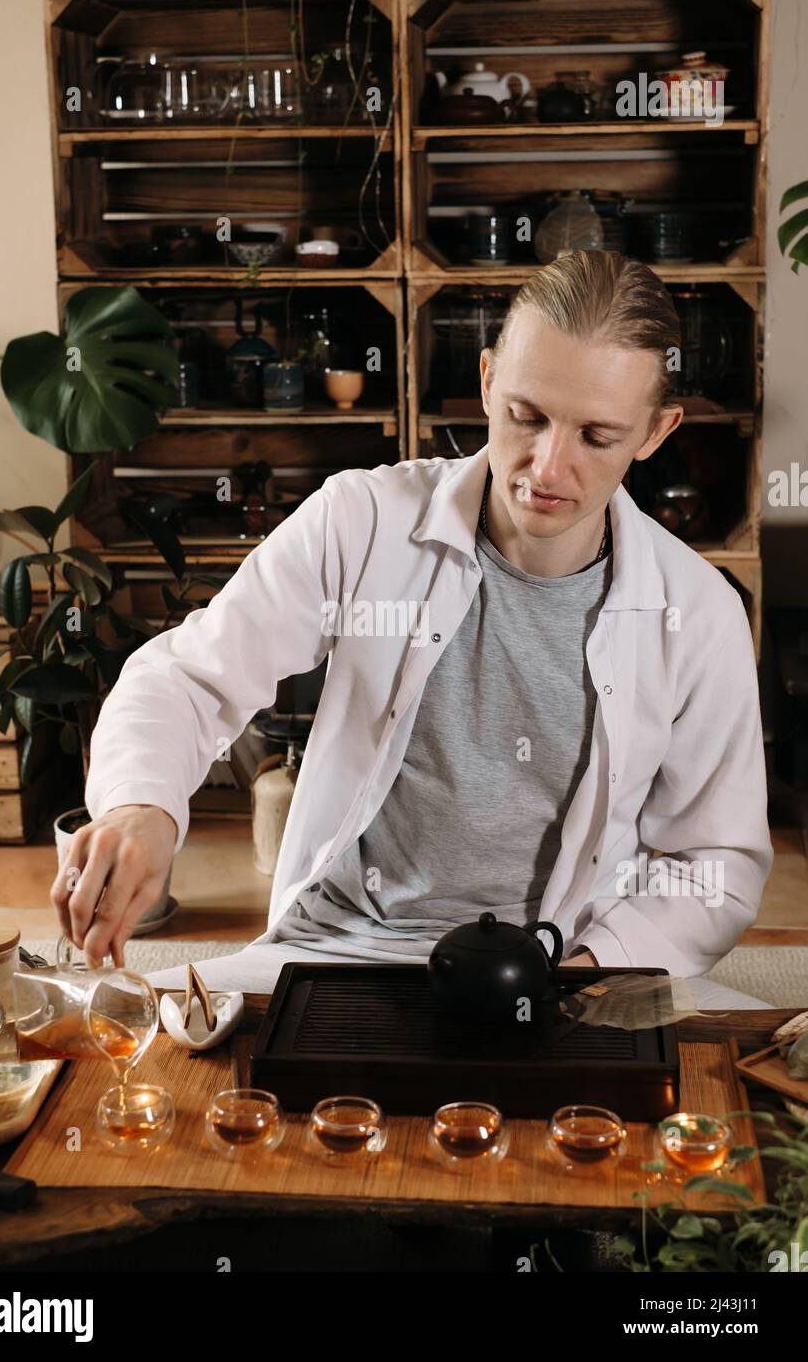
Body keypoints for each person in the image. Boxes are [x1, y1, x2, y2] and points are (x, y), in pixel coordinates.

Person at [52, 250, 774, 1008]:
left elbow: (714, 859)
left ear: (655, 432)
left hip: (569, 972)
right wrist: (142, 808)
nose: (547, 467)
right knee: (117, 1029)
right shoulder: (360, 519)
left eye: (597, 436)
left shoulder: (697, 611)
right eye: (526, 417)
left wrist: (587, 970)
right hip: (338, 954)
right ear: (489, 381)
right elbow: (187, 677)